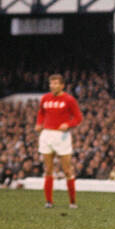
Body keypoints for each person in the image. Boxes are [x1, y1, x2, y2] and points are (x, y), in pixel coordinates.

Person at [37, 73, 82, 208]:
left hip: (62, 137)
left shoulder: (69, 100)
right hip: (47, 135)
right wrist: (39, 123)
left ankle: (72, 201)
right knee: (48, 169)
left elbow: (78, 118)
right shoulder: (45, 98)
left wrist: (68, 124)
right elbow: (41, 113)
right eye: (51, 83)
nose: (53, 86)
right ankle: (49, 201)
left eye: (56, 83)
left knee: (67, 170)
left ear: (62, 85)